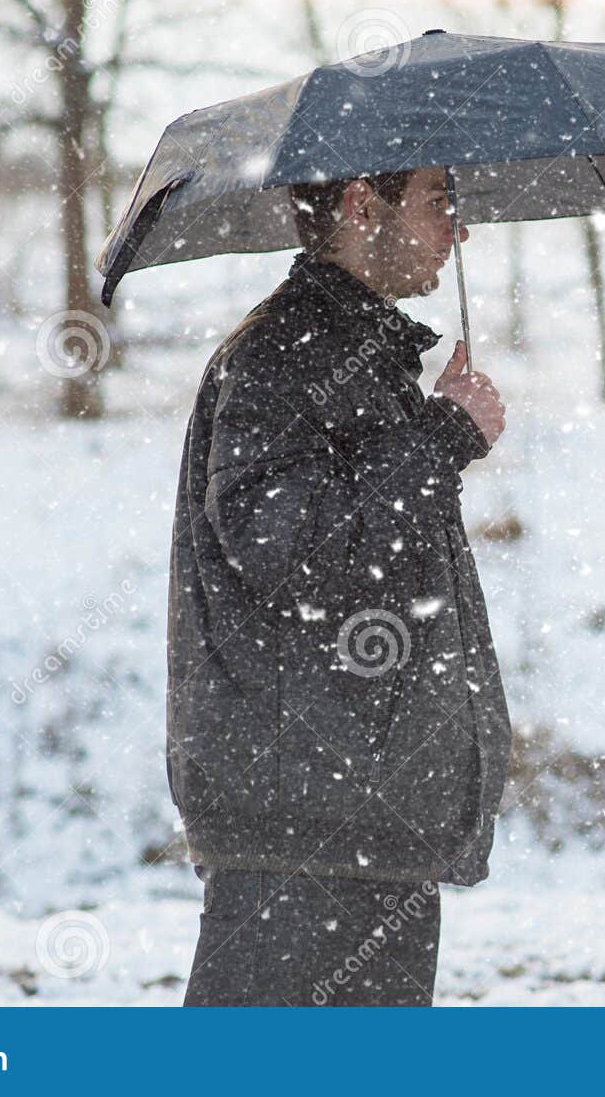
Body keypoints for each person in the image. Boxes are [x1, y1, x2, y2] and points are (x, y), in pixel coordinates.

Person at [167, 165, 511, 1006]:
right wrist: (443, 436)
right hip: (309, 824)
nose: (457, 231)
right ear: (364, 203)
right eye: (440, 203)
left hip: (354, 817)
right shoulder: (285, 354)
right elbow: (286, 548)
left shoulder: (348, 352)